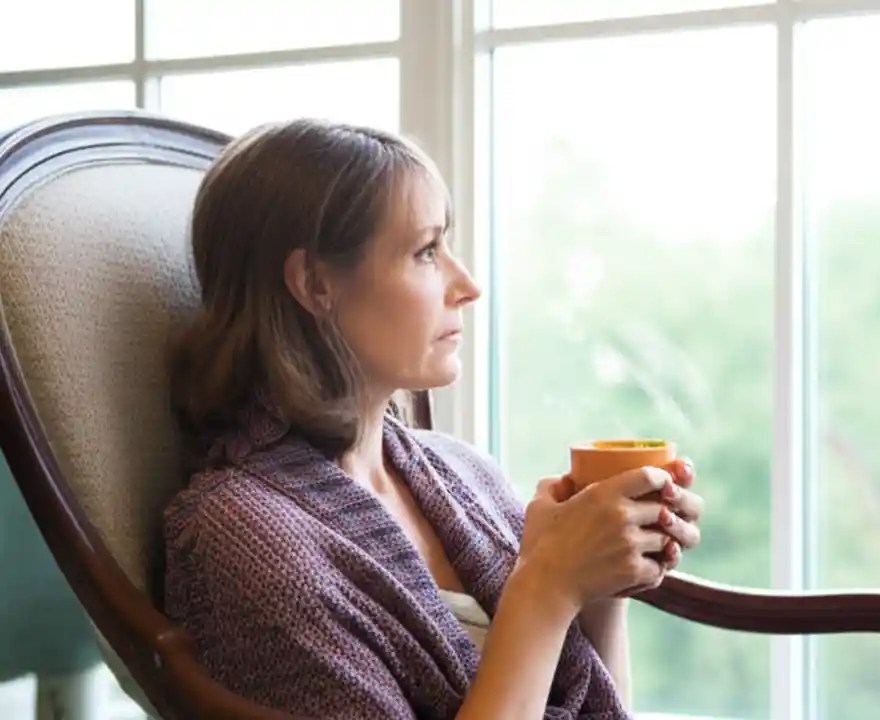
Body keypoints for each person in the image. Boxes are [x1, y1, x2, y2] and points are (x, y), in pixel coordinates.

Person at [162, 118, 705, 719]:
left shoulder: (464, 471)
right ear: (316, 284)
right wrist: (549, 584)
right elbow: (541, 607)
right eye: (426, 251)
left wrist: (602, 586)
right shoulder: (243, 539)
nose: (467, 284)